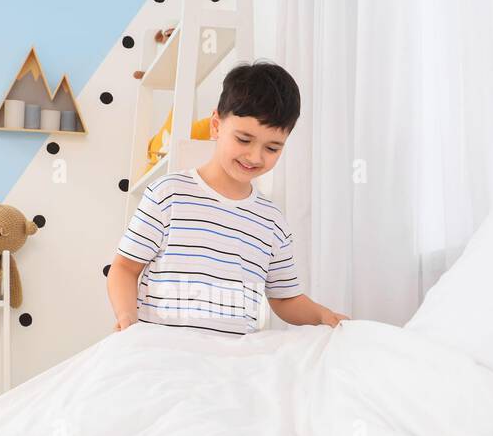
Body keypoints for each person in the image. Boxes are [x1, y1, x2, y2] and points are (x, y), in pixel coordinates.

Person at [107, 61, 349, 335]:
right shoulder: (168, 195)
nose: (255, 157)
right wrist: (127, 318)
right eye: (244, 140)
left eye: (272, 148)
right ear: (216, 126)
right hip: (164, 355)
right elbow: (125, 268)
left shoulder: (271, 222)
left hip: (230, 365)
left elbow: (284, 297)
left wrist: (323, 316)